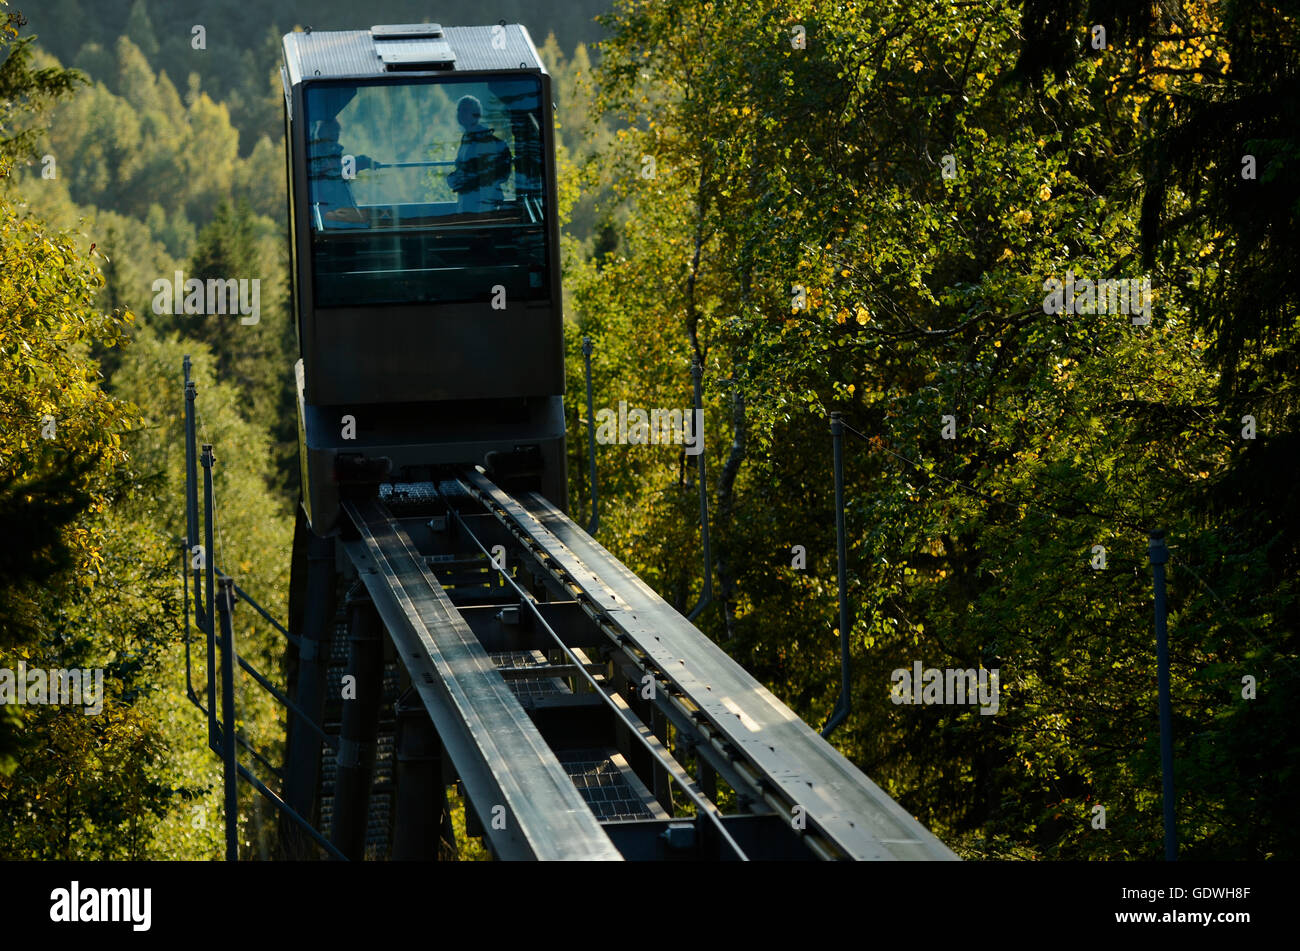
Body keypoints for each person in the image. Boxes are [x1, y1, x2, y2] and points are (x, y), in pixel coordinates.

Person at [446, 95, 512, 213]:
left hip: (478, 206)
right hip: (470, 201)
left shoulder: (483, 141)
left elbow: (486, 177)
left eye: (464, 110)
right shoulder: (468, 137)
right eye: (459, 110)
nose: (460, 114)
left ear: (476, 115)